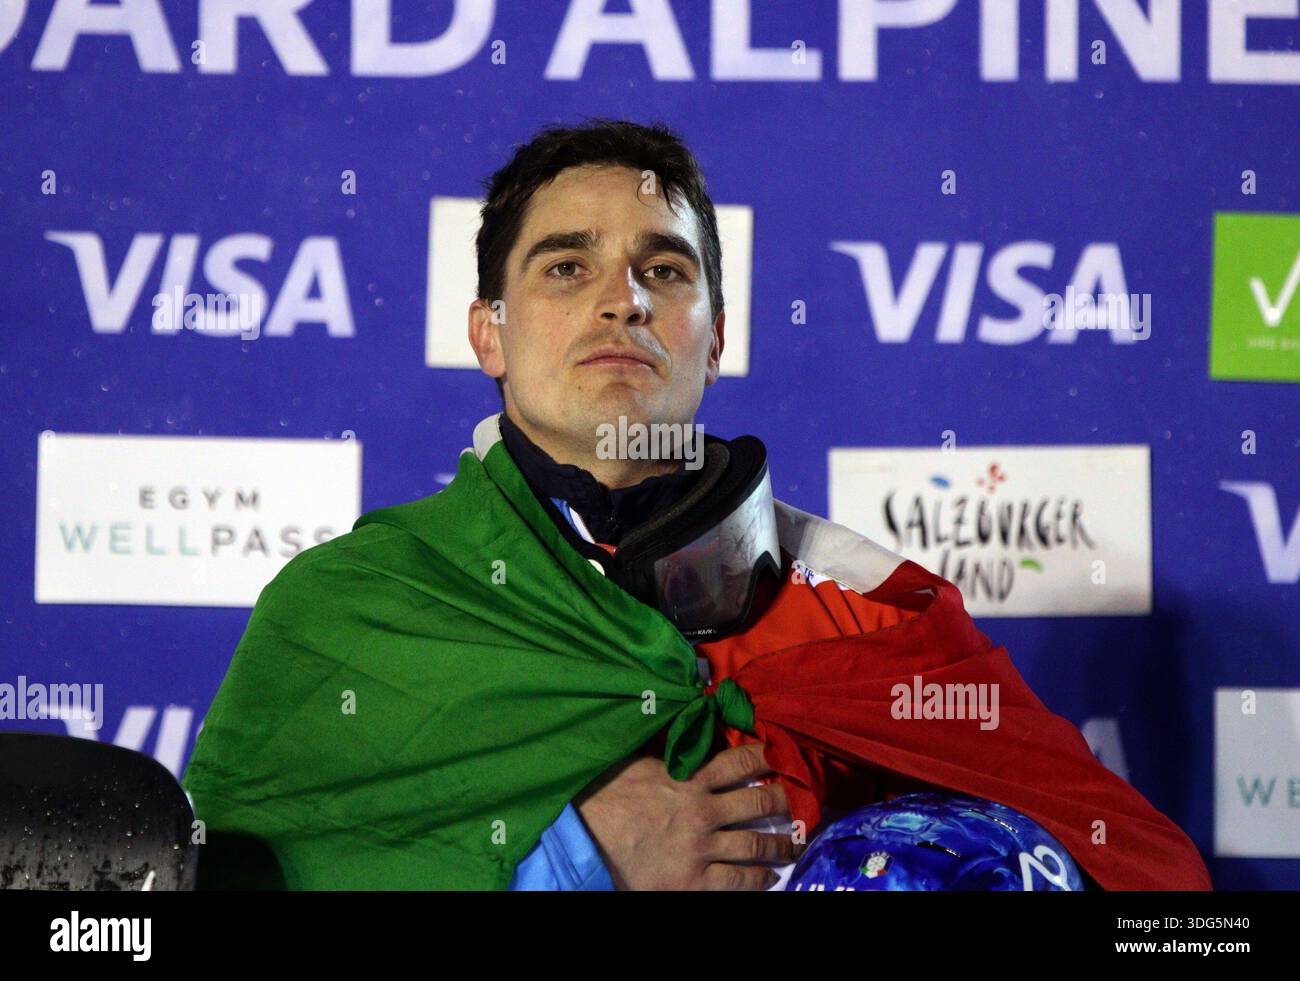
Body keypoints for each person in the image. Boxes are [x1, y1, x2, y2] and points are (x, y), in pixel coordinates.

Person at [181, 119, 1211, 891]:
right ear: (487, 335)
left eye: (661, 269)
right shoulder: (357, 610)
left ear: (714, 340)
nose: (621, 298)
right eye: (566, 265)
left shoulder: (868, 614)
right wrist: (573, 866)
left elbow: (1159, 892)